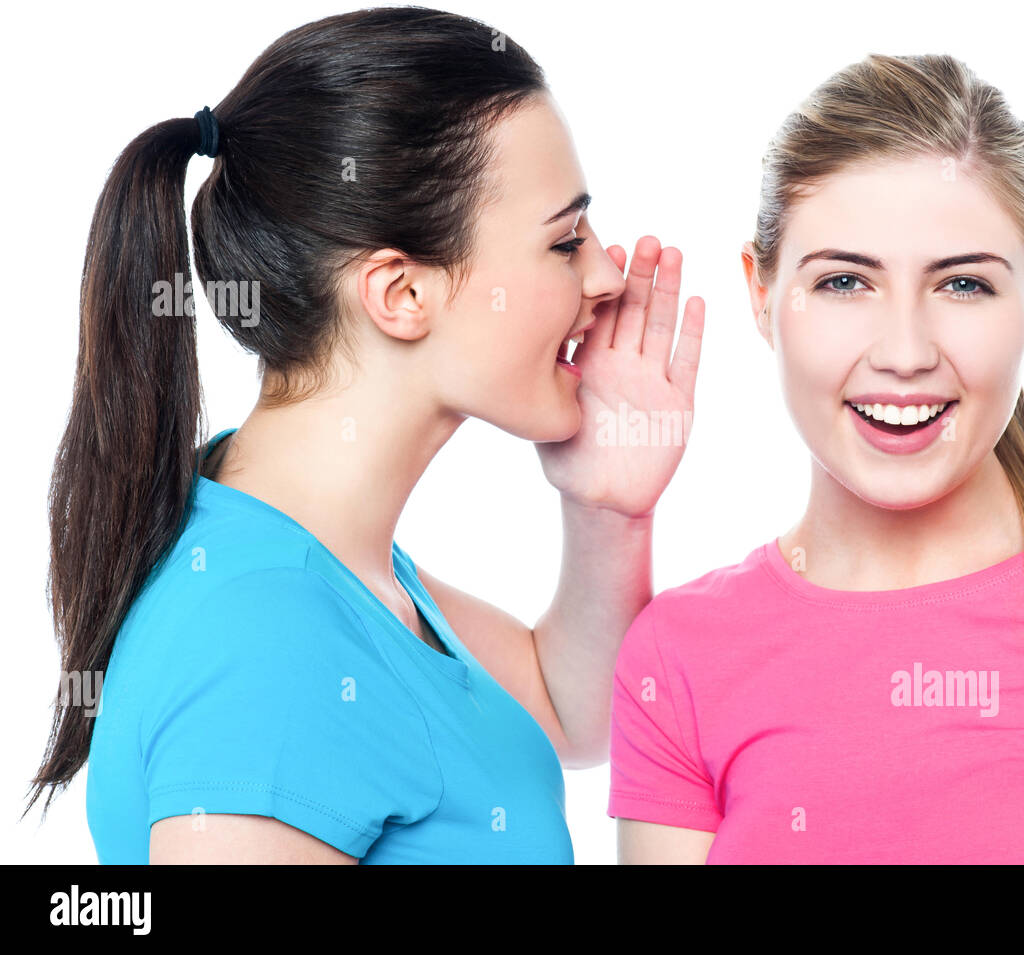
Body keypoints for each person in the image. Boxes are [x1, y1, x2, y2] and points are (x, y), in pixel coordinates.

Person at [29, 7, 704, 864]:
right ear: (401, 295)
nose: (606, 275)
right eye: (565, 241)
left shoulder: (307, 546)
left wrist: (610, 507)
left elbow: (566, 708)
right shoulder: (265, 636)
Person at [608, 53, 1024, 864]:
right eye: (843, 282)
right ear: (762, 293)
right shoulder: (678, 655)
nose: (904, 353)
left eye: (963, 285)